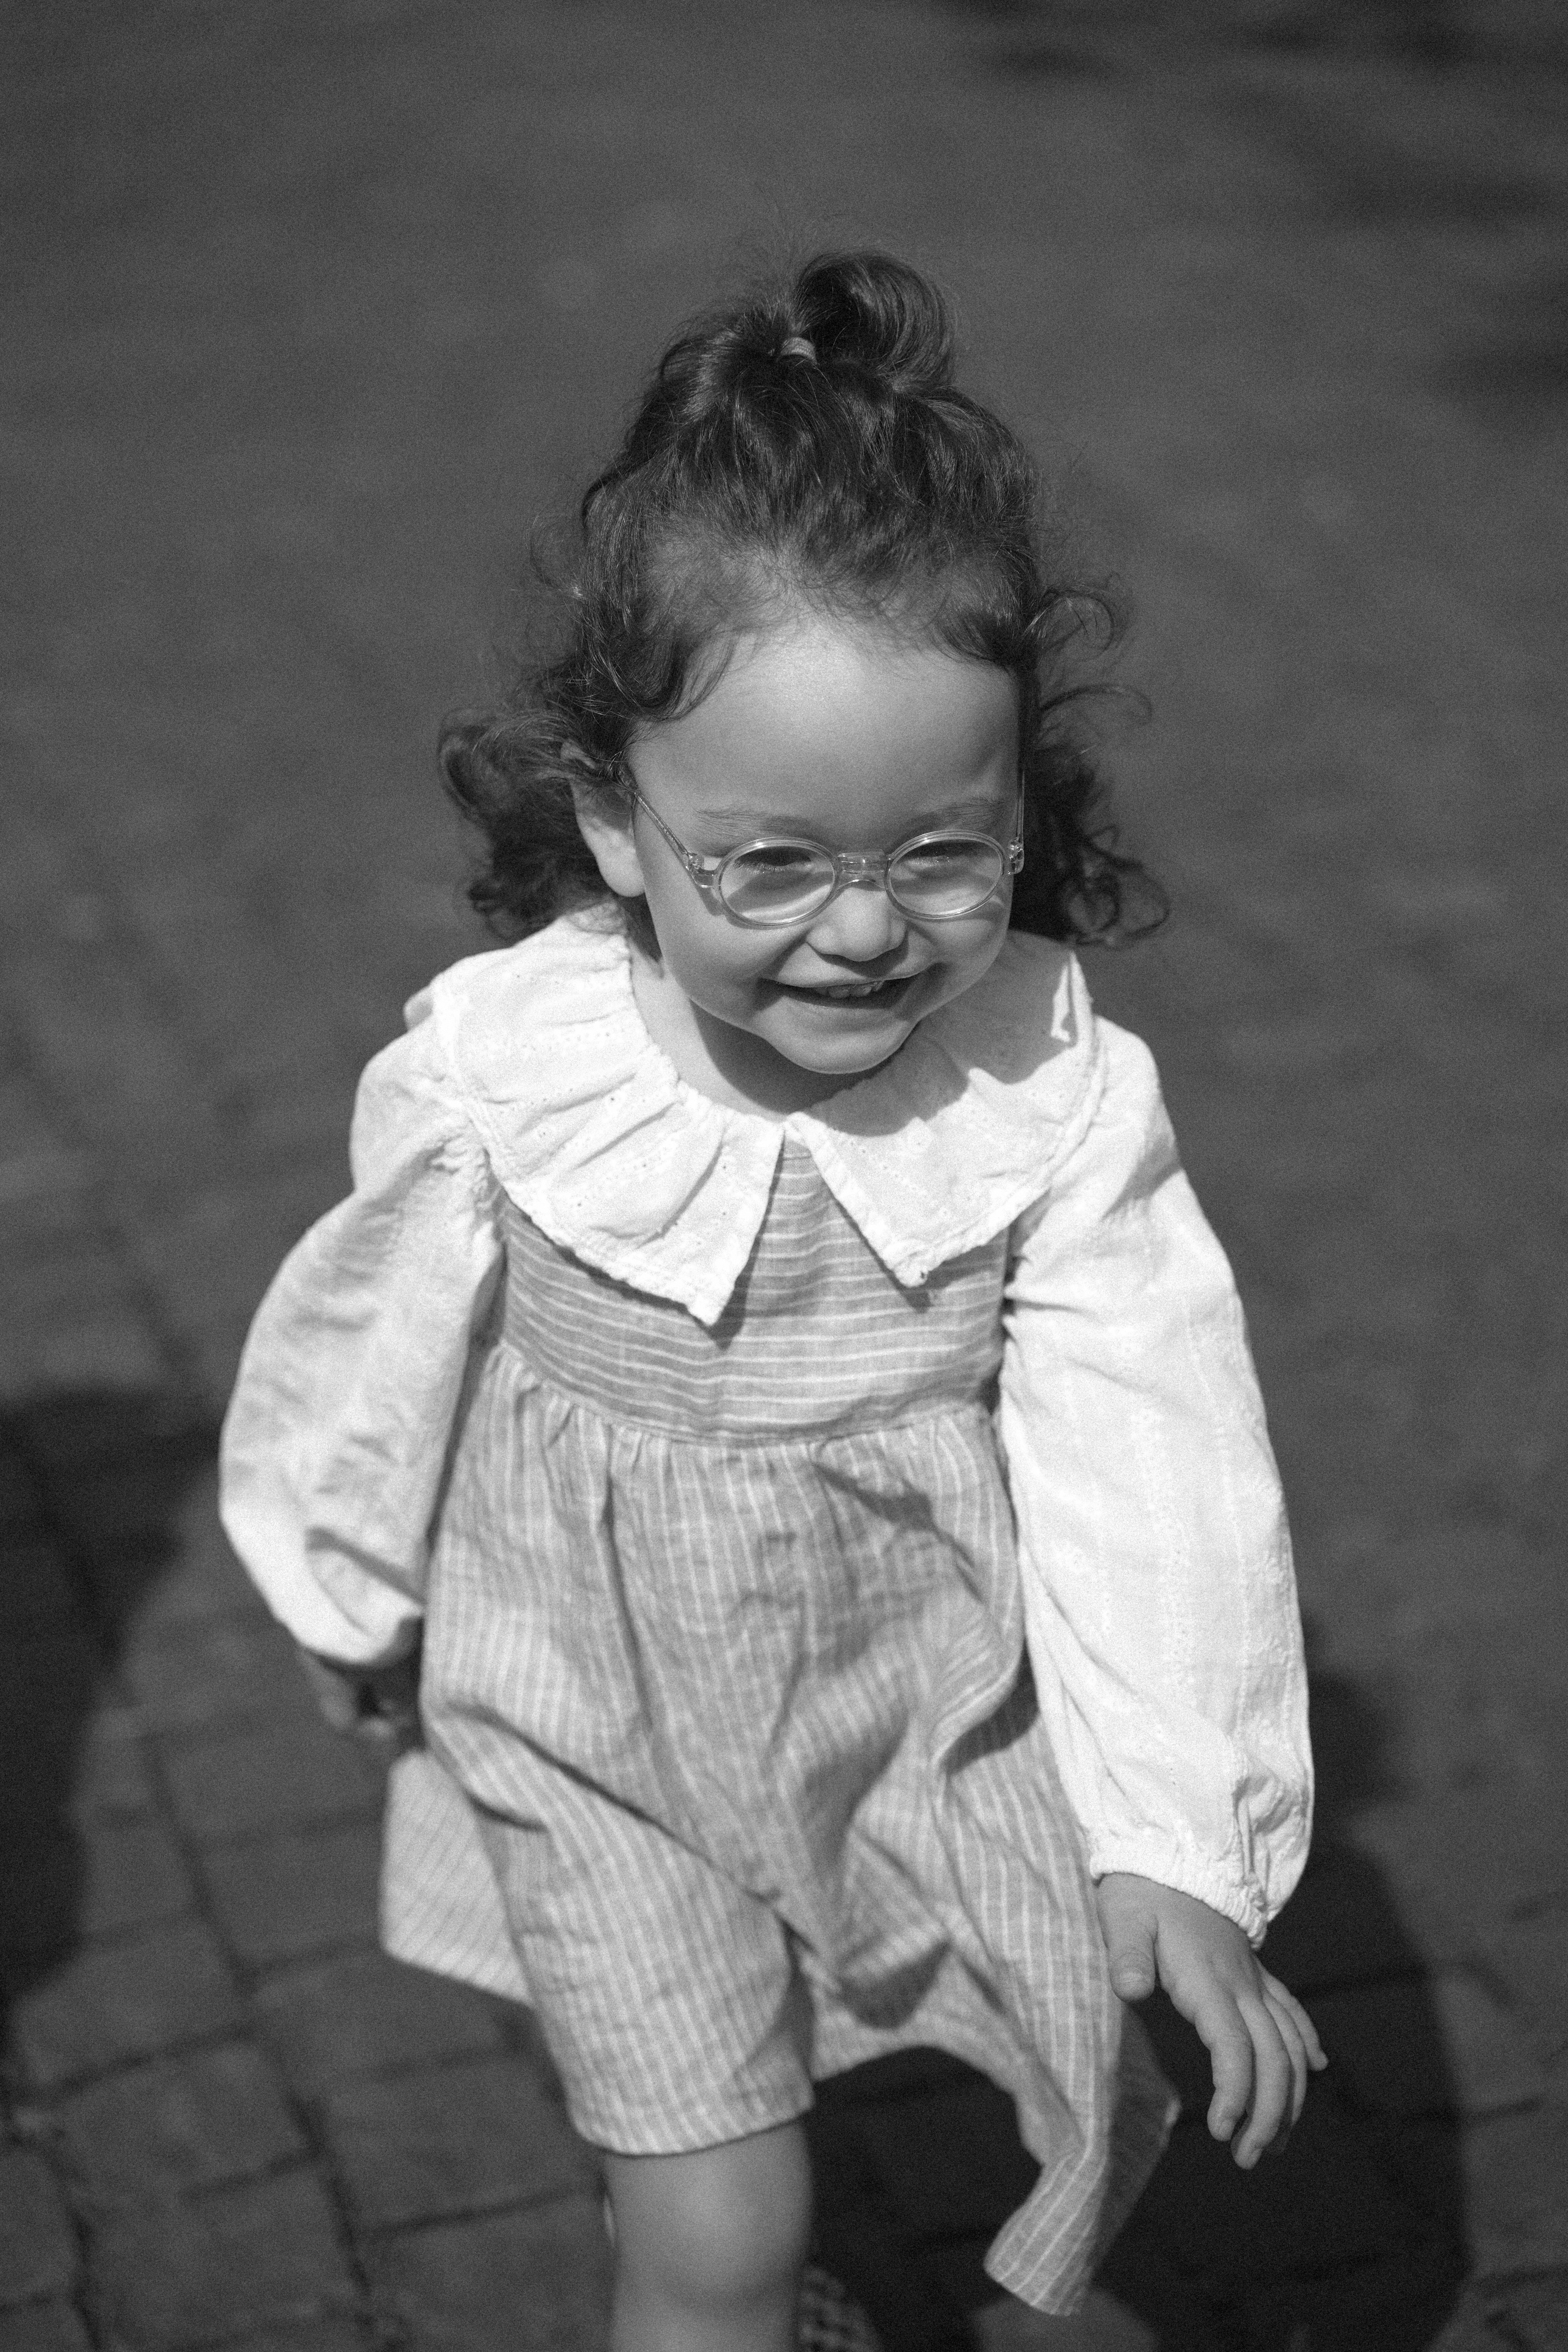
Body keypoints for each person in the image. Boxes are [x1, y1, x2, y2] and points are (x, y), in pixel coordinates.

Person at [220, 249, 1325, 2352]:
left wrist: (1183, 1834)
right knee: (718, 2219)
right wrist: (346, 1583)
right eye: (775, 863)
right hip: (587, 1721)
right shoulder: (511, 1069)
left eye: (943, 853)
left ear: (1022, 811)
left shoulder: (1049, 1091)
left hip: (926, 1708)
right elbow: (370, 1334)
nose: (868, 932)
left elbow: (1157, 1455)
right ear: (615, 825)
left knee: (1064, 2075)